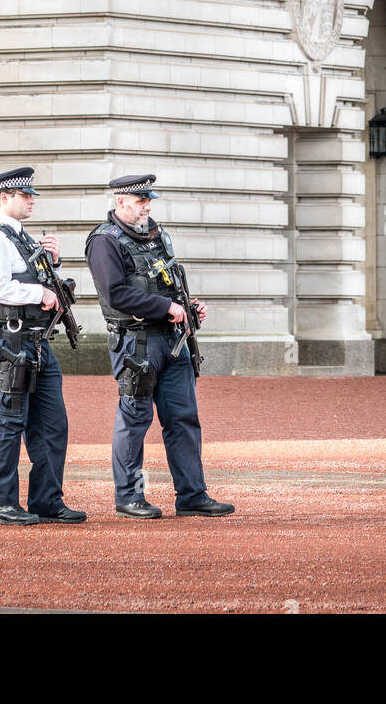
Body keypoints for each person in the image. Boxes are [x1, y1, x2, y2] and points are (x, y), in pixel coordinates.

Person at [85, 173, 235, 519]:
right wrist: (166, 308)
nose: (146, 207)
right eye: (140, 201)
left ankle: (192, 495)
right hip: (136, 343)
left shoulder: (157, 234)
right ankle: (129, 497)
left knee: (183, 419)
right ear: (120, 201)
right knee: (135, 418)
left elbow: (168, 280)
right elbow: (115, 293)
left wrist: (187, 305)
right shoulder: (104, 241)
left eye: (148, 201)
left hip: (173, 341)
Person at [0, 166, 86, 526]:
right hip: (9, 340)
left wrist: (52, 262)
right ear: (5, 198)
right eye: (25, 195)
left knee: (52, 424)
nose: (32, 200)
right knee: (9, 422)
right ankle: (3, 503)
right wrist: (40, 292)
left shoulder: (22, 237)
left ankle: (47, 500)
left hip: (36, 342)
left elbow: (40, 283)